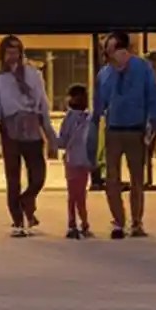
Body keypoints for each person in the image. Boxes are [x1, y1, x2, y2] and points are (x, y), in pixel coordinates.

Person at [89, 30, 156, 240]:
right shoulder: (105, 74)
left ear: (123, 50)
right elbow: (99, 103)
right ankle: (118, 221)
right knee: (111, 179)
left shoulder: (143, 68)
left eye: (111, 49)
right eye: (107, 50)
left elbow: (153, 96)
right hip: (113, 130)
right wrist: (93, 124)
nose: (108, 54)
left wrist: (153, 123)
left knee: (137, 179)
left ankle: (137, 222)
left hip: (136, 130)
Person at [0, 35, 56, 237]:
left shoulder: (33, 74)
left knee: (38, 174)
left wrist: (49, 133)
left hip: (32, 126)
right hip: (10, 128)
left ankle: (27, 199)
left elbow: (43, 102)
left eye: (16, 50)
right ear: (2, 54)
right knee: (13, 176)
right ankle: (18, 220)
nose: (13, 55)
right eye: (8, 51)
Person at [57, 84, 95, 240]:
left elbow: (62, 141)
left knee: (75, 195)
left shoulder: (78, 118)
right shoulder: (87, 118)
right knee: (78, 195)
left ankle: (78, 223)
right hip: (79, 161)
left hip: (75, 160)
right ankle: (78, 223)